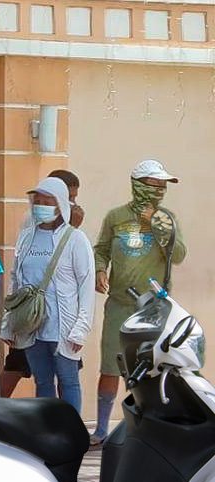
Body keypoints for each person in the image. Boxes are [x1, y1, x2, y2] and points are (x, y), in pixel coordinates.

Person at [93, 160, 185, 446]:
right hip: (120, 303)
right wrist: (99, 269)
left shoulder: (166, 217)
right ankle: (101, 428)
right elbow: (102, 249)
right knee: (110, 366)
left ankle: (149, 426)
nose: (158, 192)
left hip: (152, 307)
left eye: (162, 187)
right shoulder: (115, 217)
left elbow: (179, 254)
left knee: (151, 367)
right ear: (138, 185)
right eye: (154, 185)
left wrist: (158, 228)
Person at [2, 177, 94, 413]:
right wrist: (9, 324)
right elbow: (16, 279)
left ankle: (71, 431)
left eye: (47, 201)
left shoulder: (75, 239)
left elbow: (86, 285)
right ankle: (46, 431)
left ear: (60, 204)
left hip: (64, 326)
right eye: (38, 200)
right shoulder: (26, 236)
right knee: (42, 382)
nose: (40, 205)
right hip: (32, 325)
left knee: (68, 379)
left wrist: (81, 328)